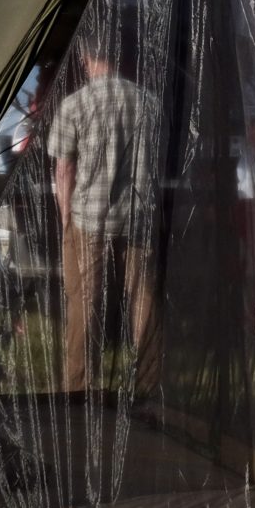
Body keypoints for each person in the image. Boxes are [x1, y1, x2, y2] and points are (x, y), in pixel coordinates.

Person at [49, 41, 161, 395]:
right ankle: (148, 384)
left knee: (85, 300)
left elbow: (64, 169)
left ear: (86, 59)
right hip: (137, 215)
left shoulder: (75, 104)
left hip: (89, 216)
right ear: (117, 57)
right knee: (142, 297)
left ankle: (79, 385)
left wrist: (65, 216)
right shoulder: (148, 103)